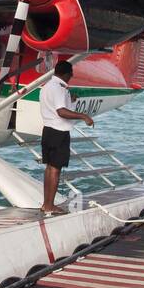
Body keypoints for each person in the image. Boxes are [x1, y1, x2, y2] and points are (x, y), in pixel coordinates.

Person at [39, 60, 95, 214]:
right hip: (59, 132)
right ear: (65, 74)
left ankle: (46, 204)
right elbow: (61, 112)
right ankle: (50, 206)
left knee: (49, 168)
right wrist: (84, 116)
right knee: (55, 169)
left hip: (48, 131)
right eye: (71, 75)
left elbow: (55, 106)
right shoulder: (59, 88)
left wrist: (70, 99)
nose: (71, 77)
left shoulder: (47, 87)